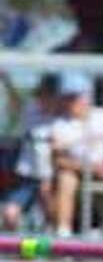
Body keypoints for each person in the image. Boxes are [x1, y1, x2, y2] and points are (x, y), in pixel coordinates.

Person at [48, 73, 103, 237]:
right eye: (67, 97)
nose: (71, 102)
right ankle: (64, 236)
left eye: (75, 97)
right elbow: (58, 161)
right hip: (84, 174)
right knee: (65, 177)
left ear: (88, 96)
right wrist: (92, 168)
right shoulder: (59, 125)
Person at [1, 75, 59, 231]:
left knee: (53, 215)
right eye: (41, 95)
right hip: (27, 178)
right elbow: (15, 101)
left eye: (48, 95)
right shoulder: (30, 114)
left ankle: (56, 251)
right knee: (10, 214)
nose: (43, 99)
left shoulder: (63, 121)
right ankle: (10, 251)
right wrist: (6, 80)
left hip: (52, 179)